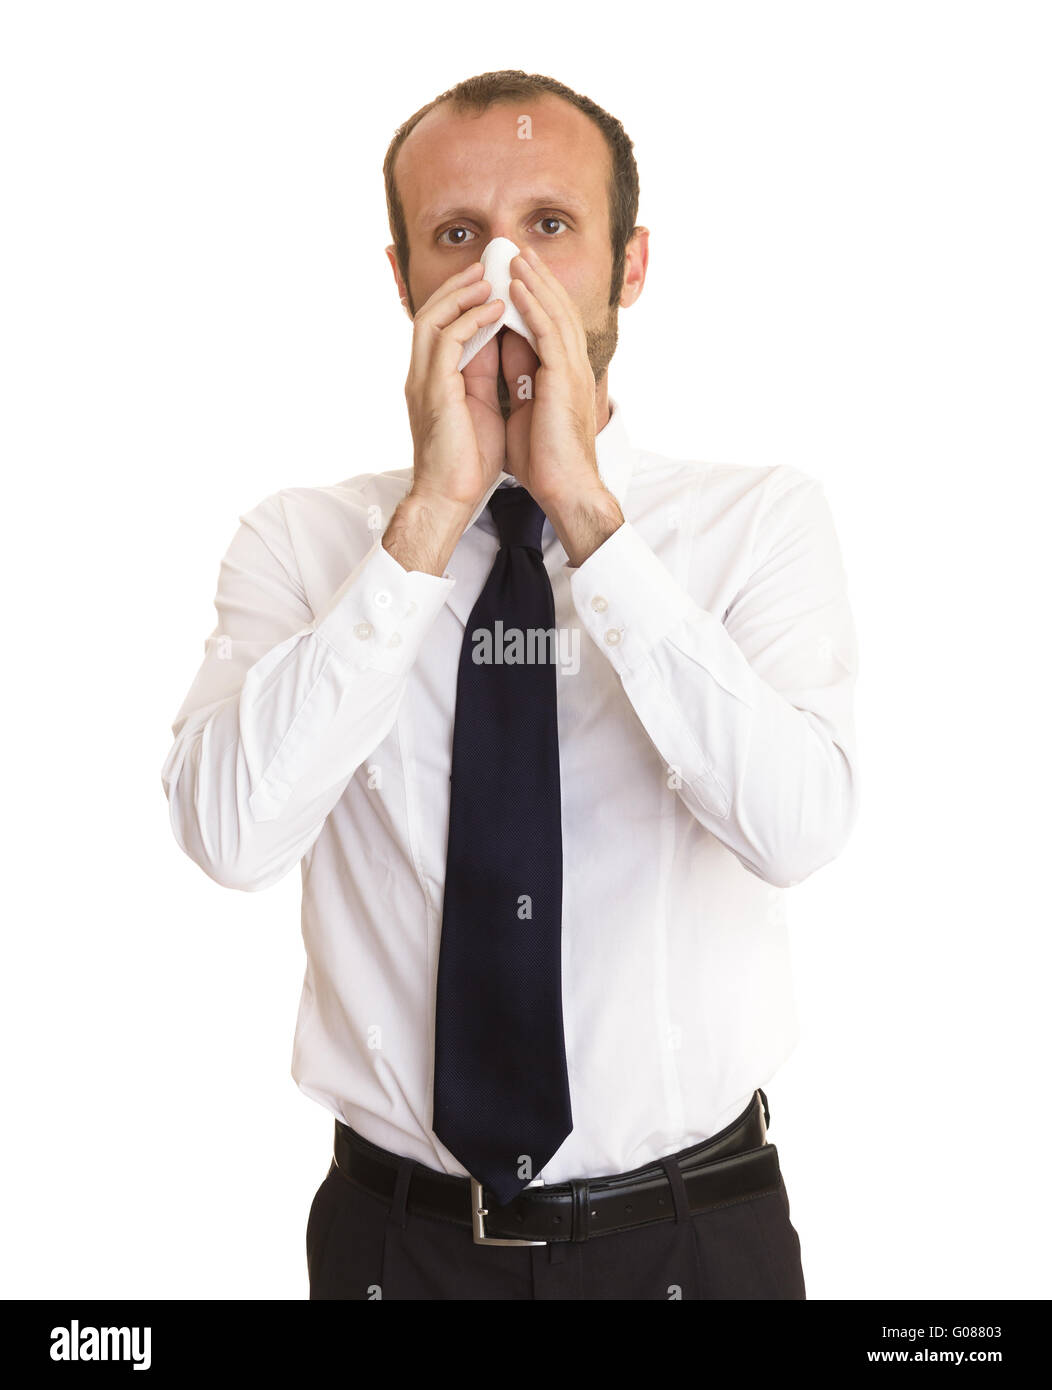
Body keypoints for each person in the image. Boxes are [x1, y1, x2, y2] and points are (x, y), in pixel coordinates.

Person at [160, 68, 860, 1301]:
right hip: (399, 1248)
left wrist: (589, 518)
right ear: (401, 280)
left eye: (547, 227)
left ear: (627, 266)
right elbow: (228, 837)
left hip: (694, 1241)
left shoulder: (756, 525)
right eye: (456, 235)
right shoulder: (301, 544)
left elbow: (796, 830)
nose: (499, 277)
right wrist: (428, 519)